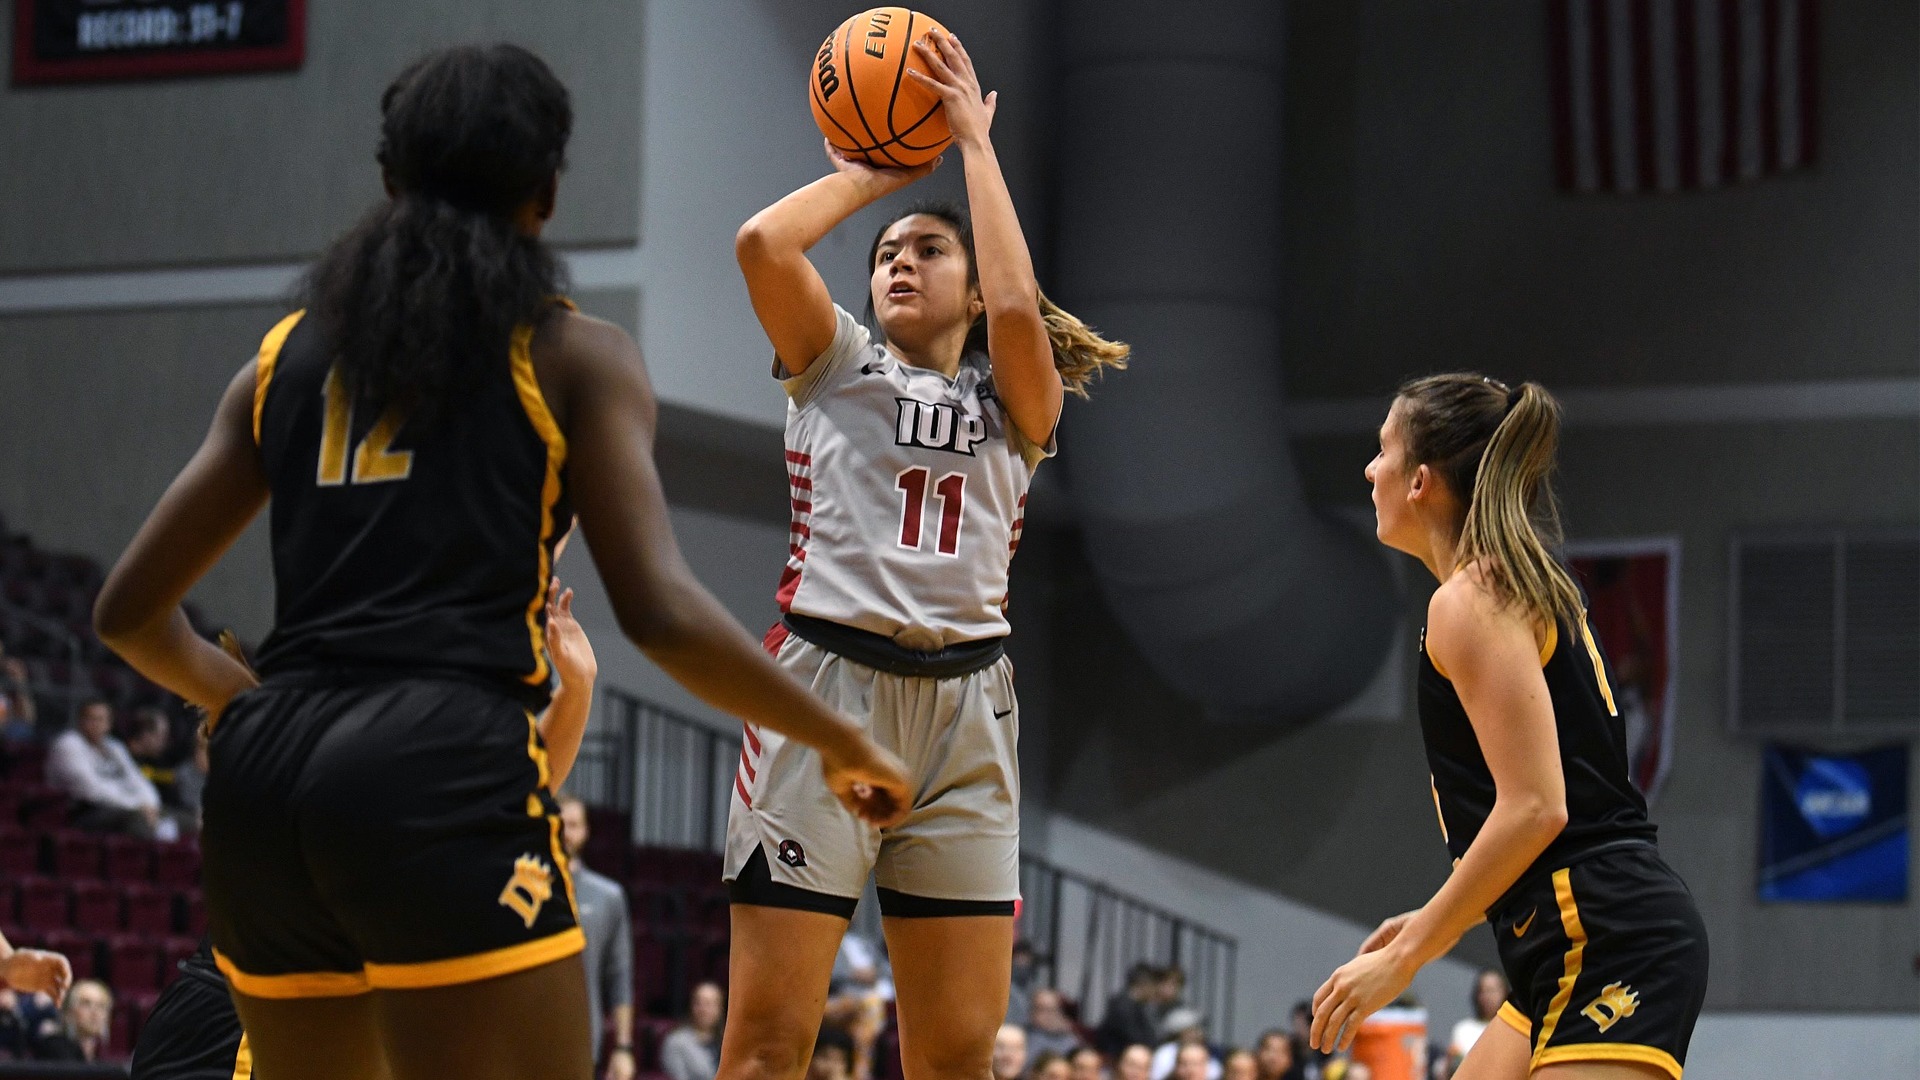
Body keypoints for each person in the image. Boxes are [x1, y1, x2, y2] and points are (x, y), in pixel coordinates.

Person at [91, 43, 909, 1080]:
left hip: (265, 789)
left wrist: (239, 699)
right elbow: (657, 611)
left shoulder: (282, 358)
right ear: (547, 192)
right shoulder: (572, 352)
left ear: (389, 183)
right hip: (435, 756)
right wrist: (838, 738)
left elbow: (127, 613)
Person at [723, 29, 1128, 1080]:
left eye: (926, 249)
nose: (901, 260)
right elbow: (764, 246)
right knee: (769, 1046)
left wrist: (974, 149)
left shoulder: (1015, 402)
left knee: (955, 1059)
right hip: (823, 691)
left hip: (967, 712)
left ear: (971, 282)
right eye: (887, 255)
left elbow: (1019, 307)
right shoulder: (834, 363)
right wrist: (871, 175)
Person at [1310, 376, 1710, 1080]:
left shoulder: (1471, 600)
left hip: (1608, 933)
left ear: (1420, 482)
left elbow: (1537, 807)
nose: (1371, 469)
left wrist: (1410, 957)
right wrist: (1439, 917)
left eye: (1382, 452)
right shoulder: (1505, 582)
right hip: (1558, 942)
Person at [131, 594, 602, 1080]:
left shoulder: (416, 768)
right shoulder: (294, 732)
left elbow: (523, 786)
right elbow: (146, 631)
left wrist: (578, 686)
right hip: (237, 1020)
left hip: (330, 1016)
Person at [558, 796, 635, 1079]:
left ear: (586, 831)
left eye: (574, 825)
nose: (566, 832)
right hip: (523, 1037)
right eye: (561, 824)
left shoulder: (608, 896)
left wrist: (623, 1047)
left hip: (582, 1040)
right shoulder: (522, 888)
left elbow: (620, 976)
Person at [46, 698, 166, 837]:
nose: (96, 724)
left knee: (186, 819)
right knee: (138, 820)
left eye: (101, 719)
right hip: (83, 811)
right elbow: (91, 789)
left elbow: (137, 779)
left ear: (109, 723)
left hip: (124, 806)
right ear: (80, 720)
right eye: (91, 719)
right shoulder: (68, 744)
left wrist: (151, 804)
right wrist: (137, 807)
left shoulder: (114, 746)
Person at [1445, 969, 1509, 1075]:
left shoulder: (1513, 1032)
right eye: (1483, 991)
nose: (1488, 996)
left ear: (1504, 992)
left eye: (1492, 990)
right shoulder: (1463, 1029)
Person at [32, 978, 110, 1062]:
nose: (95, 1012)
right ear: (69, 1012)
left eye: (101, 1005)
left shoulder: (100, 1059)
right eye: (86, 1004)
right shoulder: (53, 1047)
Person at [662, 981, 727, 1080]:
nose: (703, 1009)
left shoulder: (727, 1042)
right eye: (699, 1003)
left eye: (709, 1004)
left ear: (720, 1008)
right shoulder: (677, 1042)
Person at [1094, 965, 1162, 1057]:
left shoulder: (1139, 1005)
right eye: (1154, 987)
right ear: (1144, 985)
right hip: (1117, 1056)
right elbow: (1134, 1038)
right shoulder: (1122, 1005)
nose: (1155, 992)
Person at [1150, 1009, 1215, 1080]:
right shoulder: (1165, 1053)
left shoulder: (1215, 1065)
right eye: (1185, 1064)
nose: (1191, 1070)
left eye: (1196, 1064)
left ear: (1207, 1068)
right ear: (1176, 1067)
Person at [1026, 988, 1081, 1059]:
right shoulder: (1021, 1036)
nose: (1047, 1015)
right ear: (1031, 1011)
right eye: (1041, 1009)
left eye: (1052, 1010)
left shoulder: (1069, 1041)